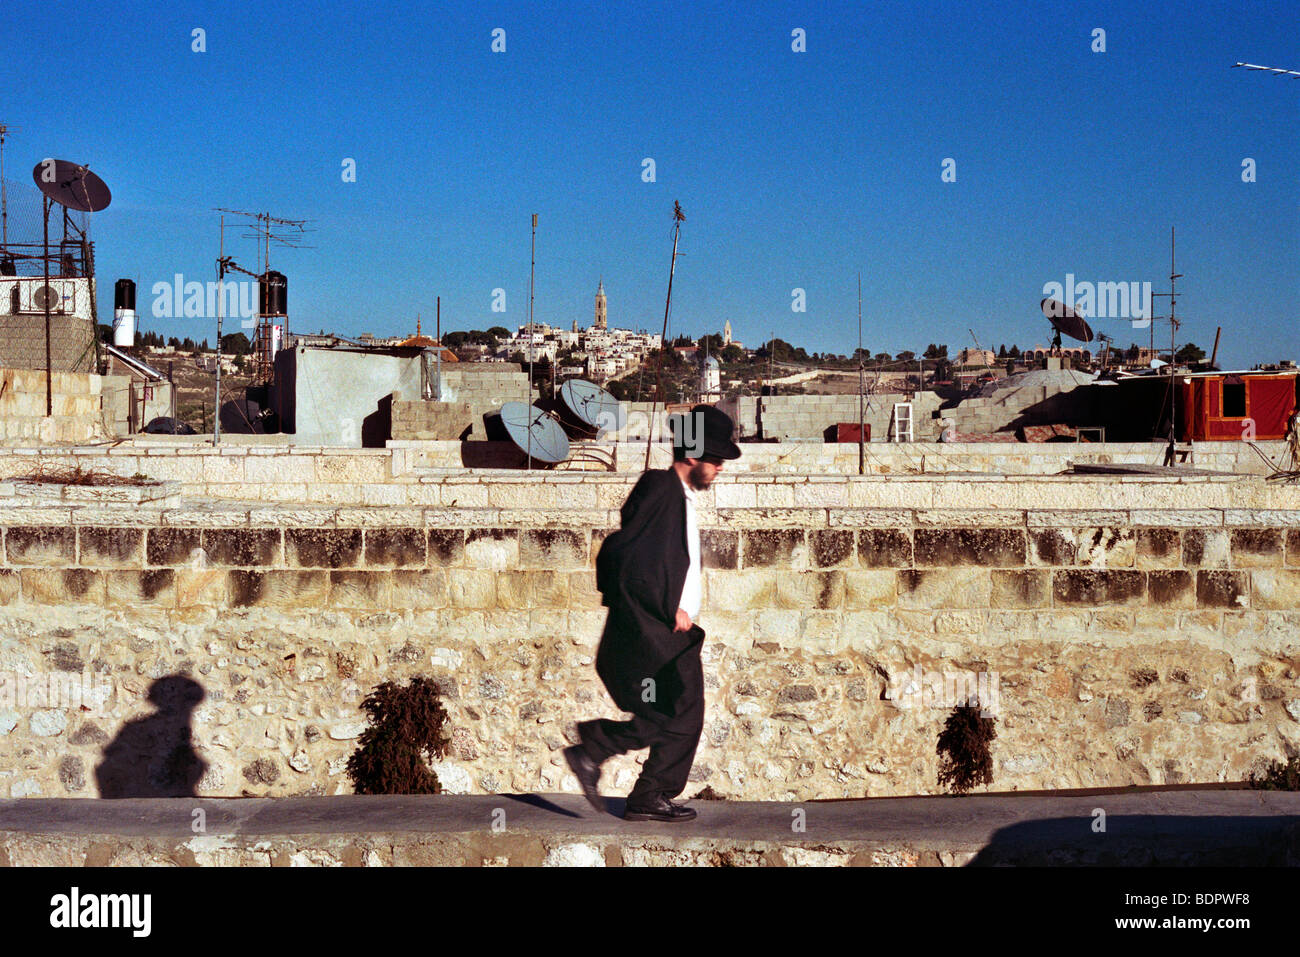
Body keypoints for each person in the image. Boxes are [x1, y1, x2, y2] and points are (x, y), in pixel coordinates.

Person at [565, 404, 741, 821]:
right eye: (715, 459)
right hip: (655, 629)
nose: (719, 468)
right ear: (694, 455)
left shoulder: (677, 496)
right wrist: (669, 609)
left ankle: (618, 767)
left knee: (672, 712)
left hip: (666, 630)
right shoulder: (661, 487)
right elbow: (624, 553)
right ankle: (613, 763)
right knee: (674, 710)